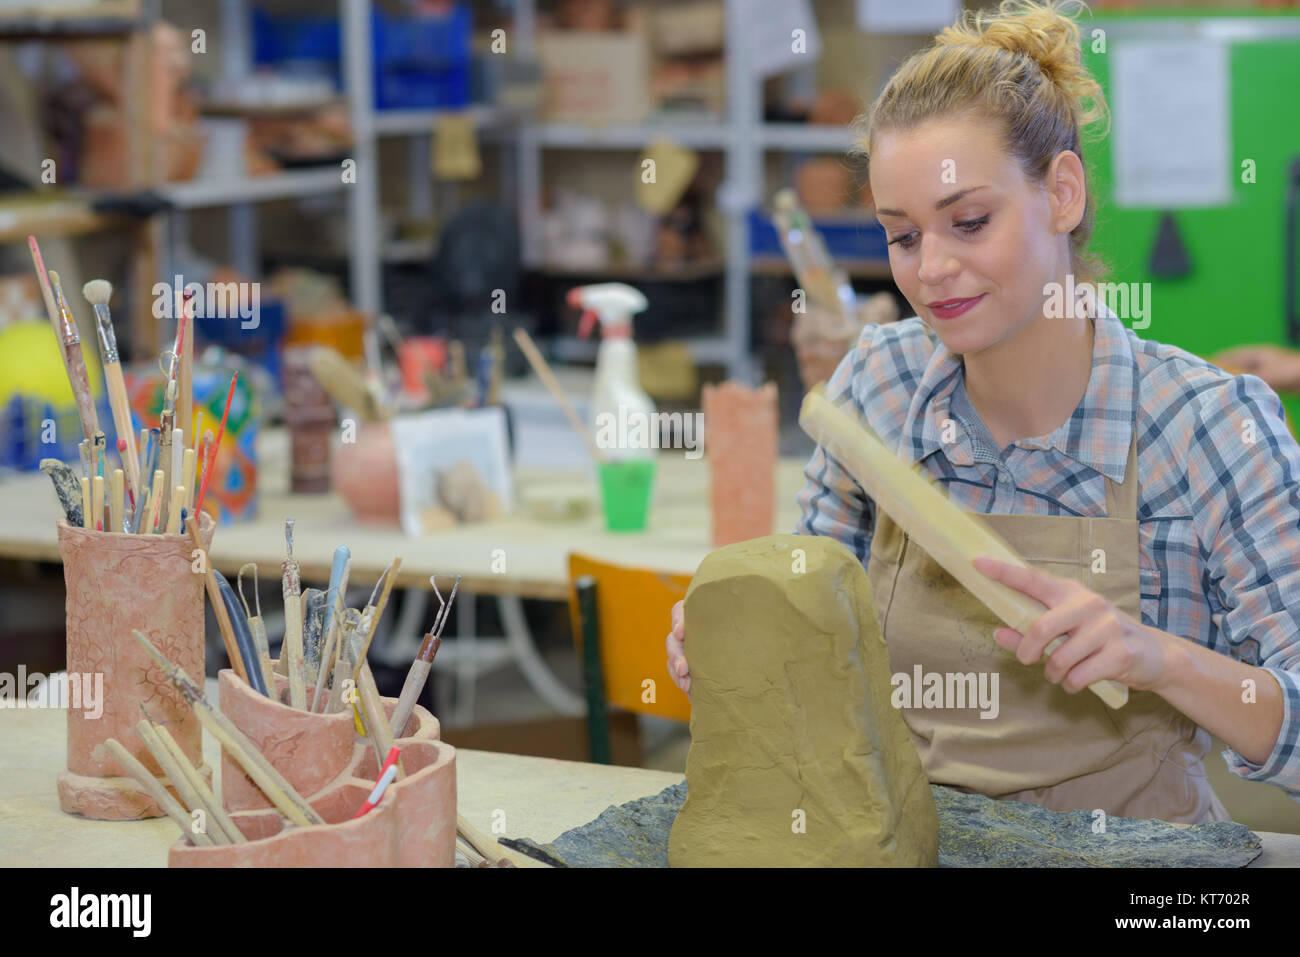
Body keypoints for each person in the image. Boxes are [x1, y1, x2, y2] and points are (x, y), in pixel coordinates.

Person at [665, 0, 1300, 824]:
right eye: (901, 236)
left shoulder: (1207, 427)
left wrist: (1164, 659)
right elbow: (819, 661)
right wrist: (739, 636)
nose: (933, 270)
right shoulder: (877, 391)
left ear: (1062, 193)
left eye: (969, 221)